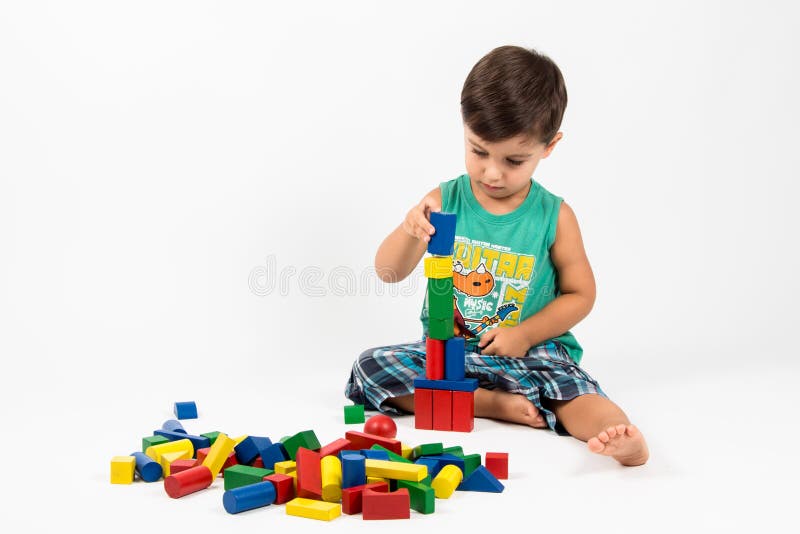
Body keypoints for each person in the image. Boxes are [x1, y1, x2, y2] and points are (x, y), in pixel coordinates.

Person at [344, 45, 648, 466]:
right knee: (370, 367)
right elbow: (388, 271)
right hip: (450, 352)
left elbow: (581, 294)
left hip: (534, 353)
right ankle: (490, 404)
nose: (491, 172)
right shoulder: (443, 200)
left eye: (514, 160)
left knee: (573, 392)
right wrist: (410, 229)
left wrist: (524, 335)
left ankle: (622, 437)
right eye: (479, 151)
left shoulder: (554, 216)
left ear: (550, 146)